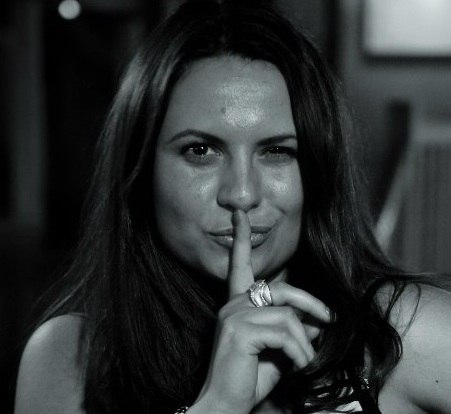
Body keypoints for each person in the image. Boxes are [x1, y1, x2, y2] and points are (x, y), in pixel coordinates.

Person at [14, 0, 451, 413]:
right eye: (201, 150)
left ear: (319, 168)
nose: (241, 193)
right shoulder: (70, 357)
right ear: (140, 167)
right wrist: (218, 404)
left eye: (277, 151)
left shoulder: (405, 331)